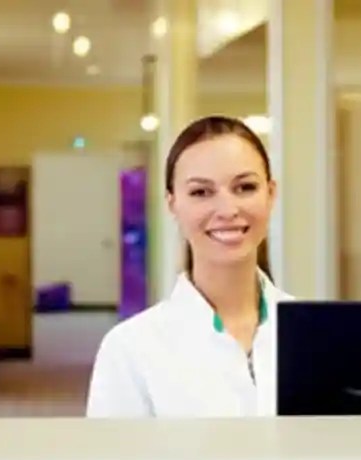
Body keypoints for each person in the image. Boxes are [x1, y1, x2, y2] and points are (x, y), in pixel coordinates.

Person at [85, 115, 293, 418]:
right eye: (201, 192)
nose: (227, 210)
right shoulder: (131, 348)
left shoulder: (317, 339)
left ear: (270, 194)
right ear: (173, 204)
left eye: (245, 187)